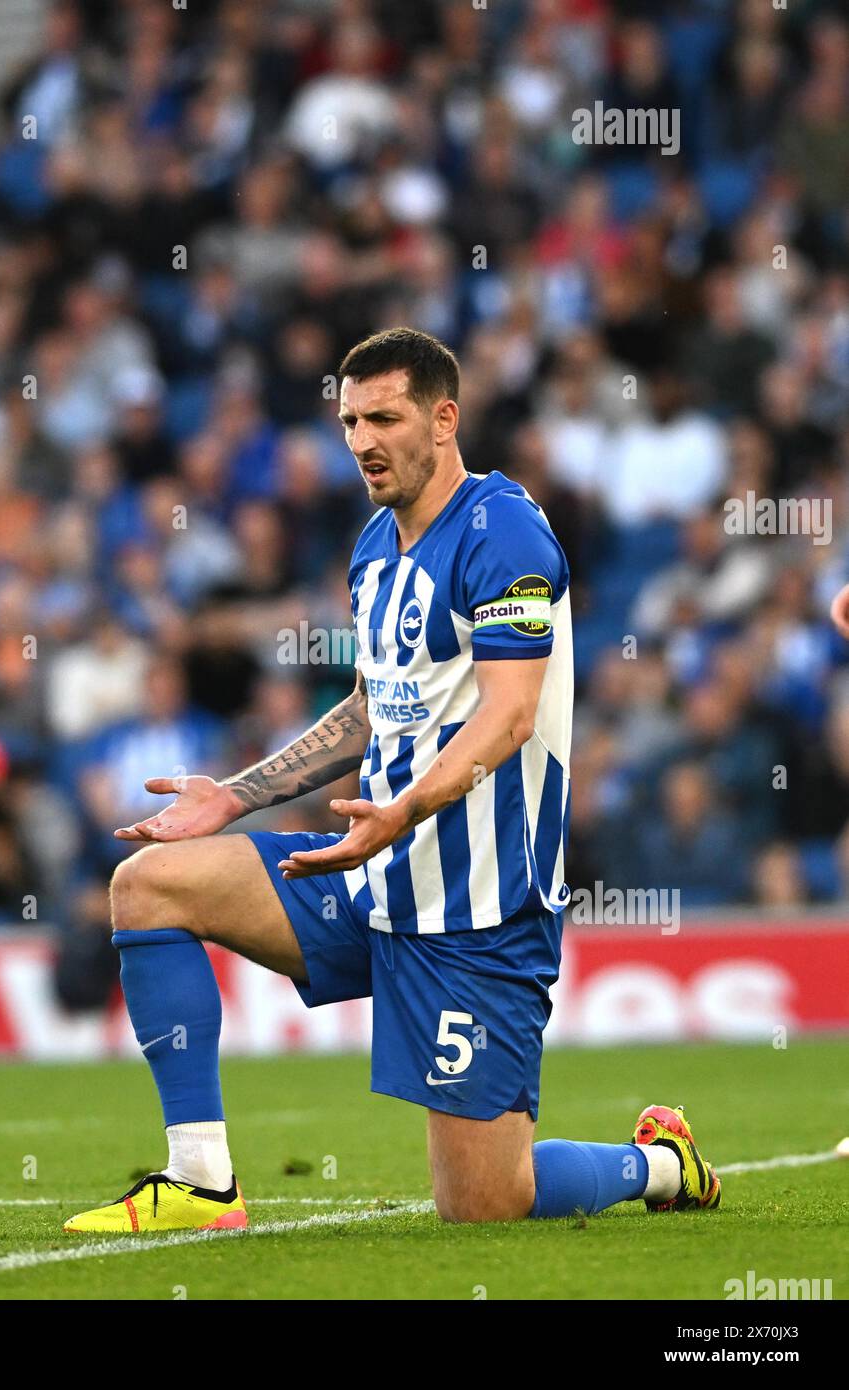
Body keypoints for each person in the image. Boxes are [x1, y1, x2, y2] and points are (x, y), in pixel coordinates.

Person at [64, 328, 720, 1234]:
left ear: (443, 420)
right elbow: (374, 708)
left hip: (480, 913)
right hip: (369, 877)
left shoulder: (504, 532)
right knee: (148, 886)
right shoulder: (374, 548)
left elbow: (509, 714)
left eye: (384, 417)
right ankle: (202, 1183)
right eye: (347, 420)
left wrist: (404, 809)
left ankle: (657, 1165)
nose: (362, 440)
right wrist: (237, 794)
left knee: (485, 1206)